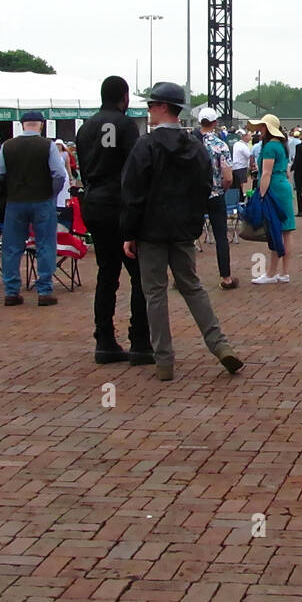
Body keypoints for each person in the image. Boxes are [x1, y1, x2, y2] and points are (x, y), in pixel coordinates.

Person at [120, 82, 241, 381]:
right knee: (192, 287)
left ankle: (165, 361)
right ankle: (219, 344)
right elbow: (204, 187)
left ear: (162, 107)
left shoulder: (146, 145)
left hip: (150, 230)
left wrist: (129, 231)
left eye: (151, 105)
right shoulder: (194, 145)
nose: (149, 110)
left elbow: (133, 191)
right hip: (183, 229)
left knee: (155, 293)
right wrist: (192, 221)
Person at [76, 76, 151, 365]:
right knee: (138, 273)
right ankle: (140, 341)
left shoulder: (86, 128)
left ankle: (104, 339)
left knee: (107, 272)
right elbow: (135, 167)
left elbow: (83, 168)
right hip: (120, 203)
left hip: (94, 202)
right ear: (125, 97)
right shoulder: (126, 126)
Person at [0, 111, 67, 307]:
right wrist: (52, 192)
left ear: (22, 125)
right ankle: (44, 290)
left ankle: (11, 291)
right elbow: (59, 173)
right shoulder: (47, 145)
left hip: (15, 201)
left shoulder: (8, 146)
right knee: (45, 245)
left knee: (12, 248)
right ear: (41, 125)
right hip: (42, 200)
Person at [248, 113, 297, 284]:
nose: (259, 130)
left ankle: (271, 273)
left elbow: (266, 173)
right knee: (286, 231)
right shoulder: (282, 145)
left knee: (275, 230)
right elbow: (286, 170)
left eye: (262, 127)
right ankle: (283, 272)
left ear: (267, 128)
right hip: (283, 185)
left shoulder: (269, 147)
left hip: (274, 188)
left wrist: (260, 195)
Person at [198, 107, 239, 289]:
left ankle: (182, 276)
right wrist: (223, 188)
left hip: (193, 196)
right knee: (221, 236)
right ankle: (226, 277)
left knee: (187, 236)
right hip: (215, 194)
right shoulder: (219, 145)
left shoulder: (189, 143)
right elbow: (228, 176)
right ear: (215, 123)